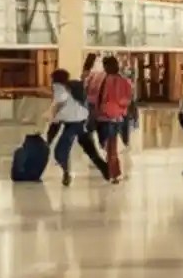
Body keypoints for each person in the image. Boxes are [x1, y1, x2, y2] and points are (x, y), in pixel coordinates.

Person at [42, 69, 107, 185]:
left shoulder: (59, 87)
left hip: (72, 123)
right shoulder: (73, 87)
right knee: (90, 150)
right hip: (82, 121)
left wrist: (50, 112)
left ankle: (67, 173)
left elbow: (60, 101)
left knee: (60, 151)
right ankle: (107, 172)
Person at [91, 56, 133, 184]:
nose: (105, 68)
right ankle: (112, 171)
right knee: (106, 144)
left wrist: (111, 106)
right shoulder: (103, 78)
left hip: (111, 117)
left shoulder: (119, 81)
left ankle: (114, 173)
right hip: (106, 116)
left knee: (110, 146)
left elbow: (125, 99)